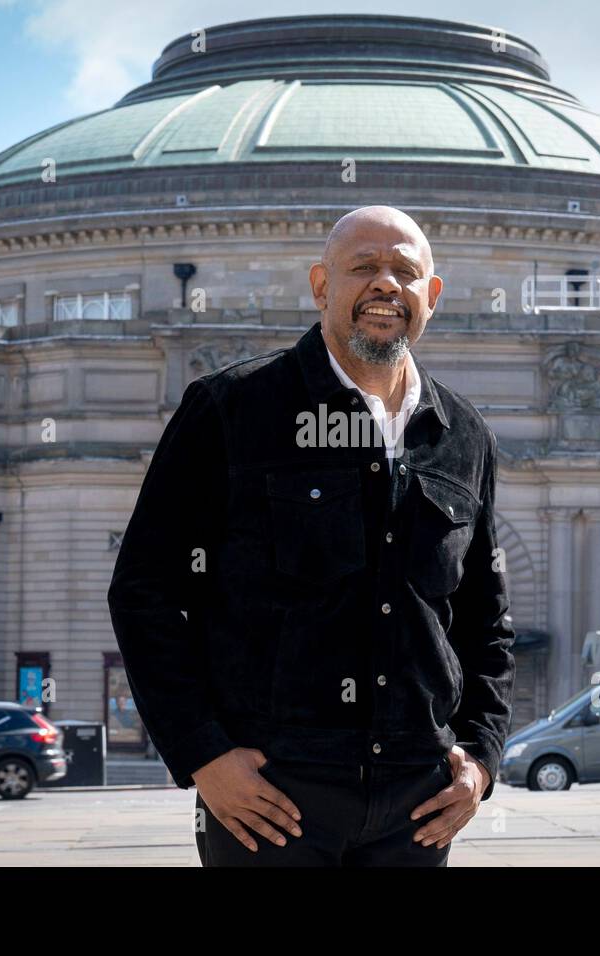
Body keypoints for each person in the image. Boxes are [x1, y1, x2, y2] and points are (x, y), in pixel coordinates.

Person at [107, 205, 516, 866]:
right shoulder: (230, 411)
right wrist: (202, 754)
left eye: (405, 272)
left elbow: (486, 621)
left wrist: (482, 756)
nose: (386, 285)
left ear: (431, 297)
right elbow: (144, 593)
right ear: (322, 287)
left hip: (417, 802)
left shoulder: (465, 437)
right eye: (364, 268)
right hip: (269, 801)